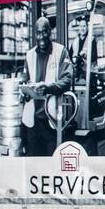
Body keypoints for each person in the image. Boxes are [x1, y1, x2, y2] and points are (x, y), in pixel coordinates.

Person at [18, 16, 73, 157]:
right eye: (38, 32)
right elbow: (24, 80)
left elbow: (67, 80)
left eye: (44, 32)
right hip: (32, 121)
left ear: (50, 32)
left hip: (51, 119)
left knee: (51, 164)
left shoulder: (61, 52)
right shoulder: (29, 55)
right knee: (33, 164)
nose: (41, 36)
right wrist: (24, 90)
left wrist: (48, 88)